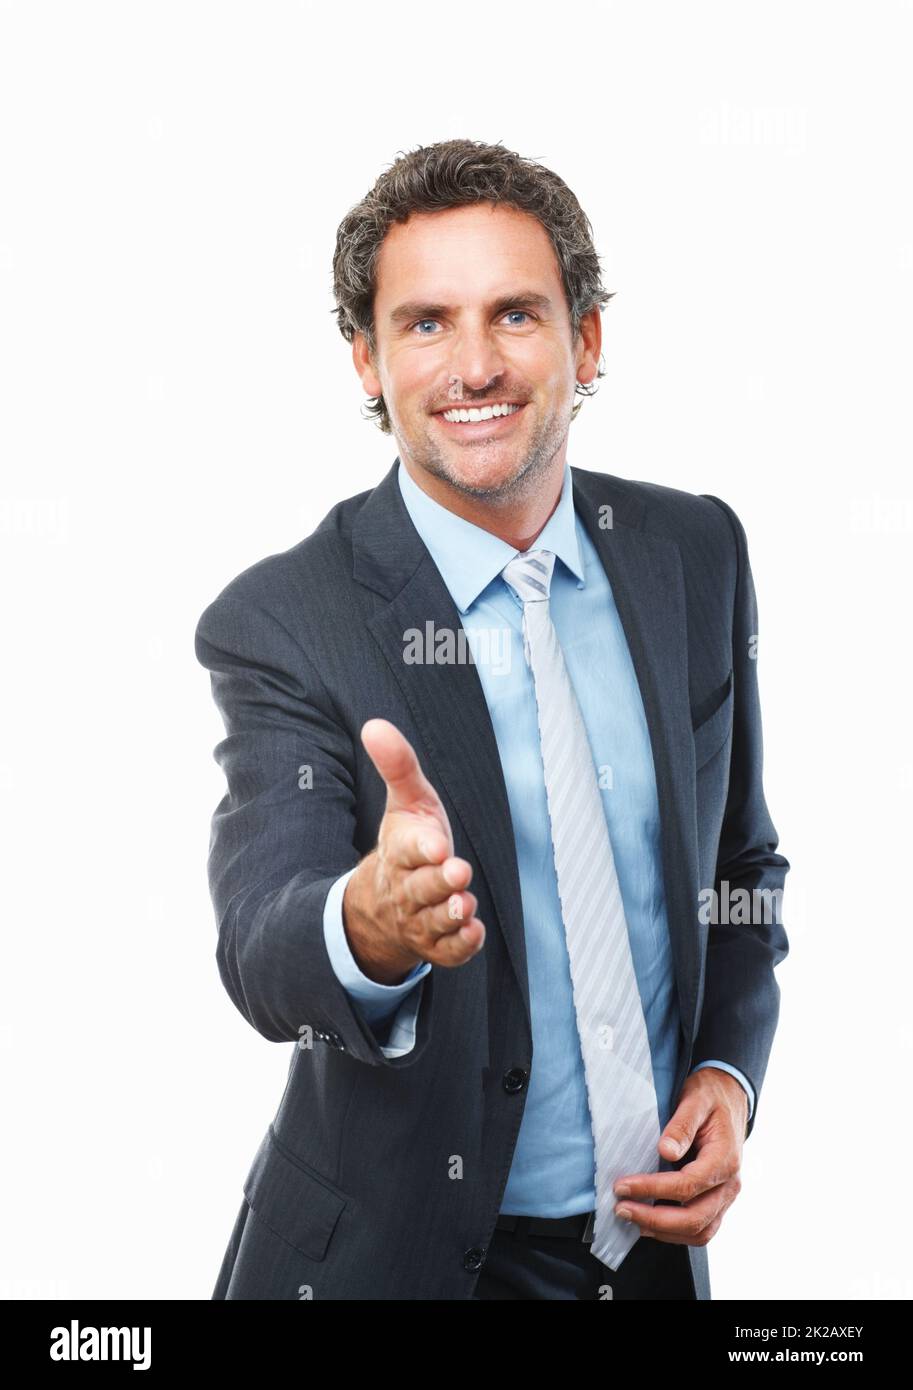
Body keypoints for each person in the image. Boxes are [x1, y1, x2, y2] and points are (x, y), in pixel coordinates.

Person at [195, 138, 789, 1301]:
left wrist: (726, 1072)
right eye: (424, 324)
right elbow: (263, 935)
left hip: (649, 1259)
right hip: (391, 1264)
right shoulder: (283, 618)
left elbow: (741, 863)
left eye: (515, 314)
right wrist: (370, 920)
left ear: (588, 339)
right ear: (365, 359)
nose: (474, 366)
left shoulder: (693, 554)